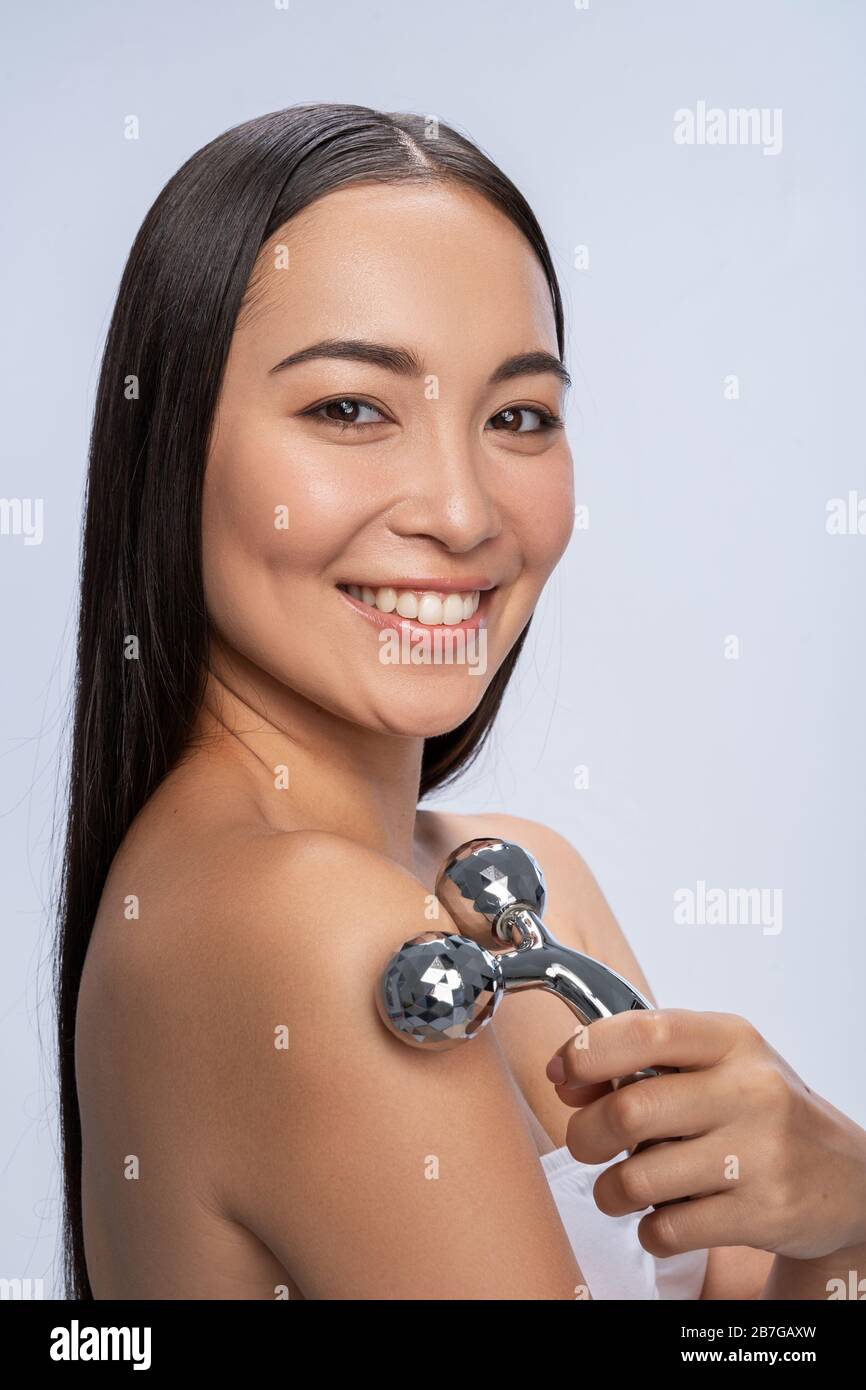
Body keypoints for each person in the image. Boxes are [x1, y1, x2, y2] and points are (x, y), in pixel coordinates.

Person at [59, 103, 866, 1300]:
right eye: (350, 408)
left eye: (517, 416)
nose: (461, 508)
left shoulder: (520, 877)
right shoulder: (305, 925)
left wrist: (832, 1208)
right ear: (172, 445)